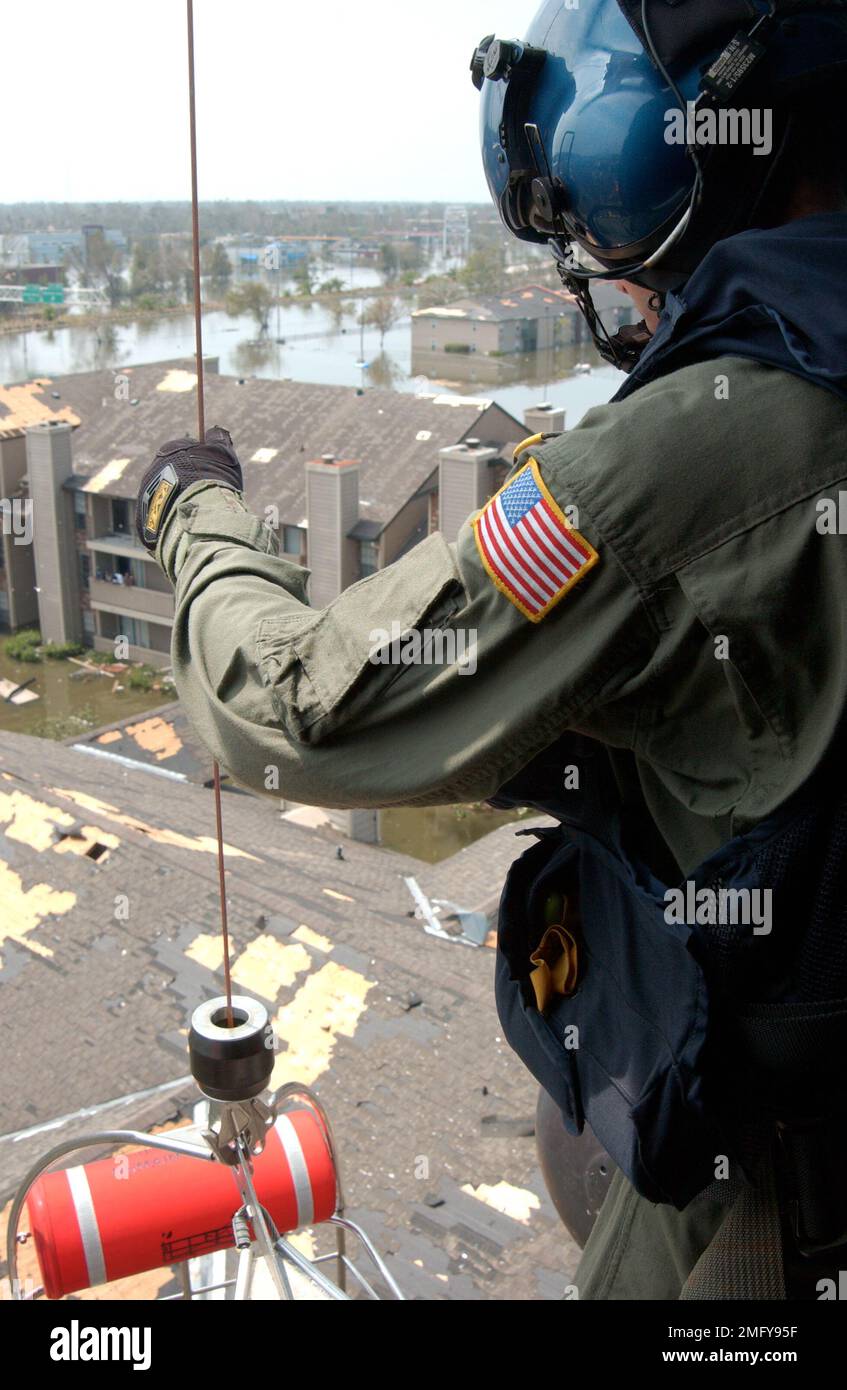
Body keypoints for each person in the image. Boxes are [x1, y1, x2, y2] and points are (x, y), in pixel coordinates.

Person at [137, 1, 847, 1299]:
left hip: (781, 1202)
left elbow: (301, 708)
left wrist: (196, 510)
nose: (605, 258)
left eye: (608, 209)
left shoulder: (681, 455)